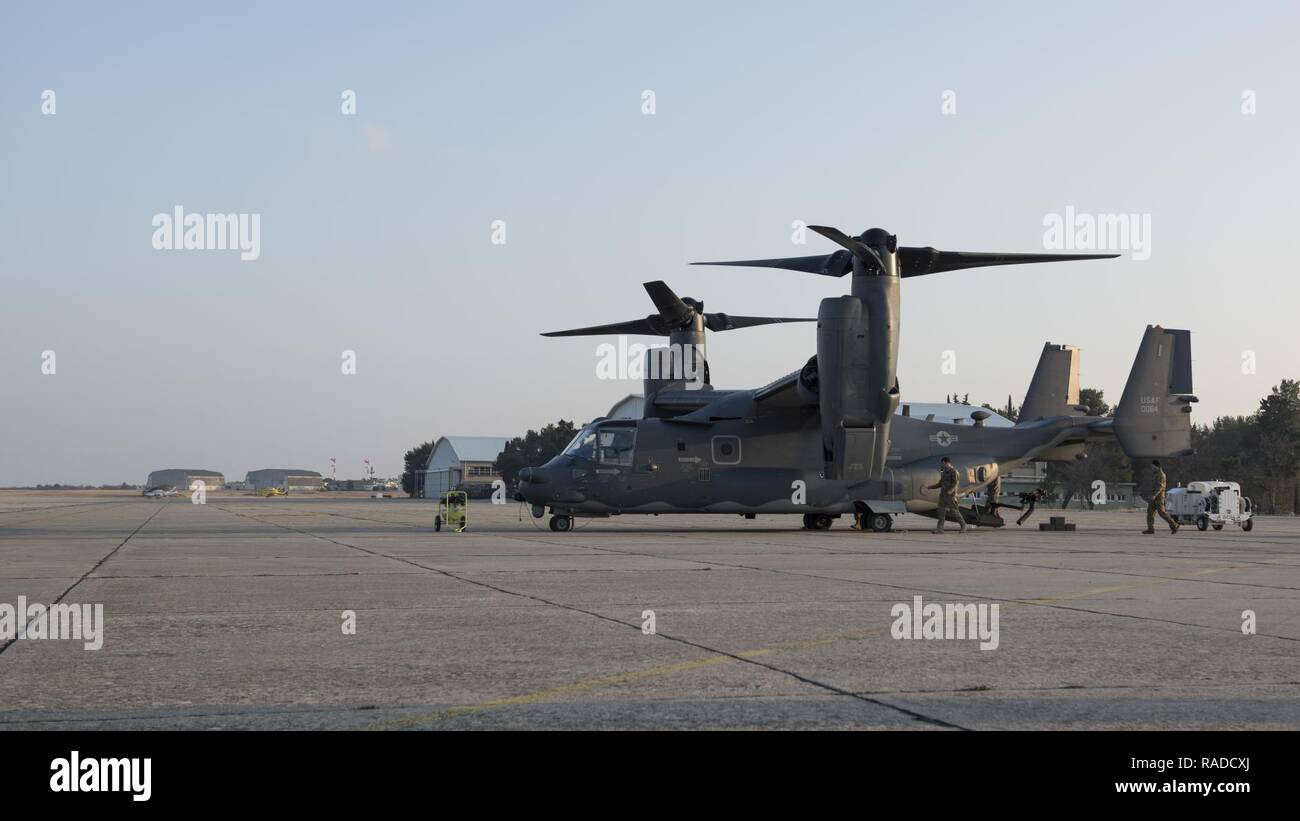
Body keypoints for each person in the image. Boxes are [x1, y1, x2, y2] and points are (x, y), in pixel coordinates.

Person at [926, 456, 967, 533]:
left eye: (943, 463)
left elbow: (955, 484)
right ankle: (940, 529)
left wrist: (950, 491)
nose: (942, 465)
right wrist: (930, 487)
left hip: (950, 496)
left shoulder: (954, 472)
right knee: (941, 512)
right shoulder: (944, 472)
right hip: (943, 495)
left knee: (954, 511)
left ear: (947, 463)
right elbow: (940, 483)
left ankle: (963, 526)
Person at [1142, 459, 1179, 535]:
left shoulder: (1161, 475)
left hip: (1159, 497)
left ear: (1156, 466)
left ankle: (1174, 525)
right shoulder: (1155, 474)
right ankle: (1150, 529)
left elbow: (1160, 487)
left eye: (1152, 466)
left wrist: (1154, 495)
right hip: (1153, 497)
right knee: (1150, 512)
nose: (1151, 467)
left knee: (1162, 513)